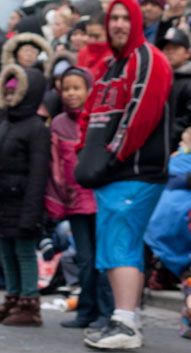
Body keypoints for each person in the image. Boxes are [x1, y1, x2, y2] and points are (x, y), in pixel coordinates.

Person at [75, 0, 173, 349]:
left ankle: (127, 323)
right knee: (115, 245)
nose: (118, 25)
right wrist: (83, 152)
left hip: (134, 171)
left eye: (124, 18)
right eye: (112, 18)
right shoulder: (110, 66)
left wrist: (110, 156)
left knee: (121, 244)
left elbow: (141, 113)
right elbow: (90, 112)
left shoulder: (148, 58)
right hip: (111, 173)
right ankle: (121, 317)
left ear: (136, 22)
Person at [45, 66, 114, 330]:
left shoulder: (100, 119)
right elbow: (55, 166)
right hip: (75, 202)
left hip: (100, 199)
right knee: (84, 259)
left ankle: (106, 312)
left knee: (103, 258)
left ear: (89, 90)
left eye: (77, 88)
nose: (71, 94)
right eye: (66, 89)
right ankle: (86, 310)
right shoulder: (59, 123)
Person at [0, 65, 51, 327]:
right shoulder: (5, 121)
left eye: (14, 90)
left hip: (22, 201)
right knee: (5, 251)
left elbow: (38, 173)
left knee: (23, 252)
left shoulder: (36, 128)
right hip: (4, 200)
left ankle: (29, 303)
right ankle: (13, 298)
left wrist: (32, 212)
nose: (9, 95)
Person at [159, 27, 191, 146]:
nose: (169, 52)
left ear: (187, 54)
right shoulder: (159, 77)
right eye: (166, 48)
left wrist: (164, 137)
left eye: (175, 48)